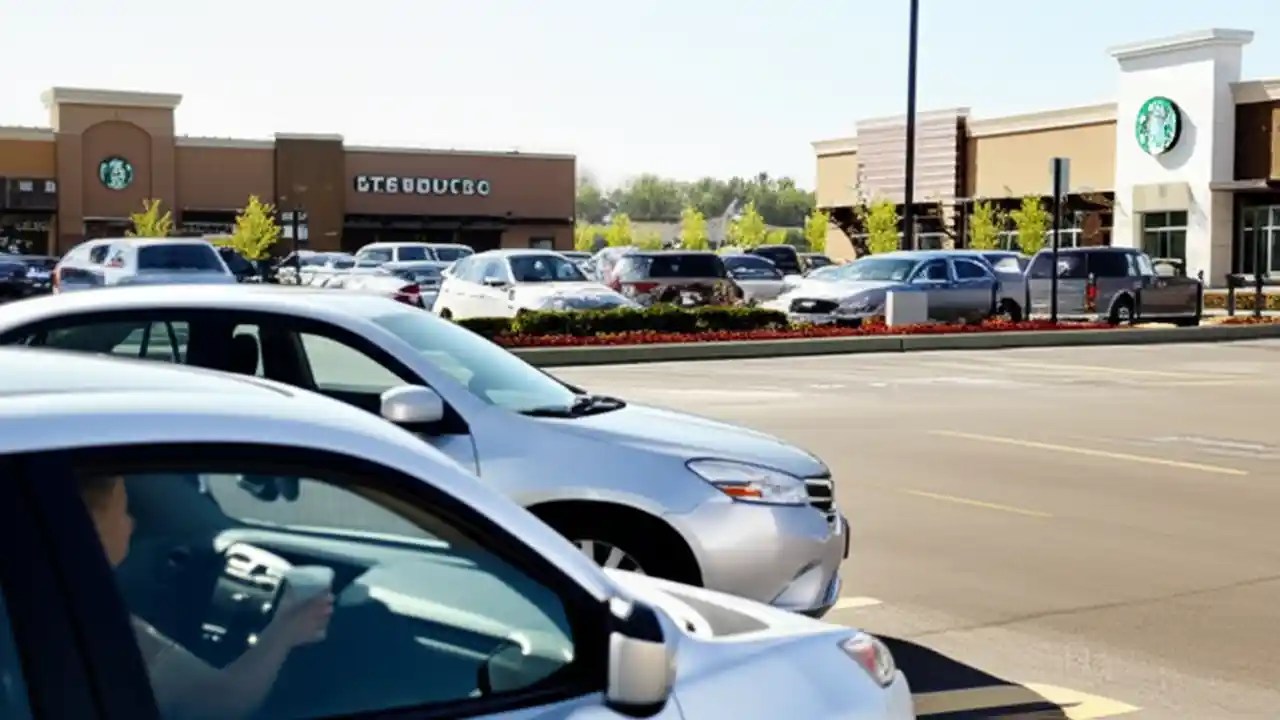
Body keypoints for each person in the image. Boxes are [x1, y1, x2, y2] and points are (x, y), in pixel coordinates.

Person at [77, 475, 333, 720]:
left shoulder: (68, 607)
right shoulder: (93, 622)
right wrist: (286, 631)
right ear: (93, 526)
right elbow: (216, 704)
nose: (132, 523)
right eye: (123, 512)